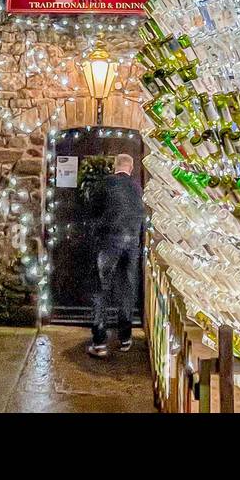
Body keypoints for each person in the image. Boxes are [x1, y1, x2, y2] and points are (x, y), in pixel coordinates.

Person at [86, 152, 145, 358]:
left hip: (109, 242)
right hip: (132, 245)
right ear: (131, 168)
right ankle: (125, 338)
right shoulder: (138, 189)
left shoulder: (106, 184)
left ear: (115, 166)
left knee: (100, 288)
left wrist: (96, 232)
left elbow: (92, 210)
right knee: (126, 289)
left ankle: (100, 341)